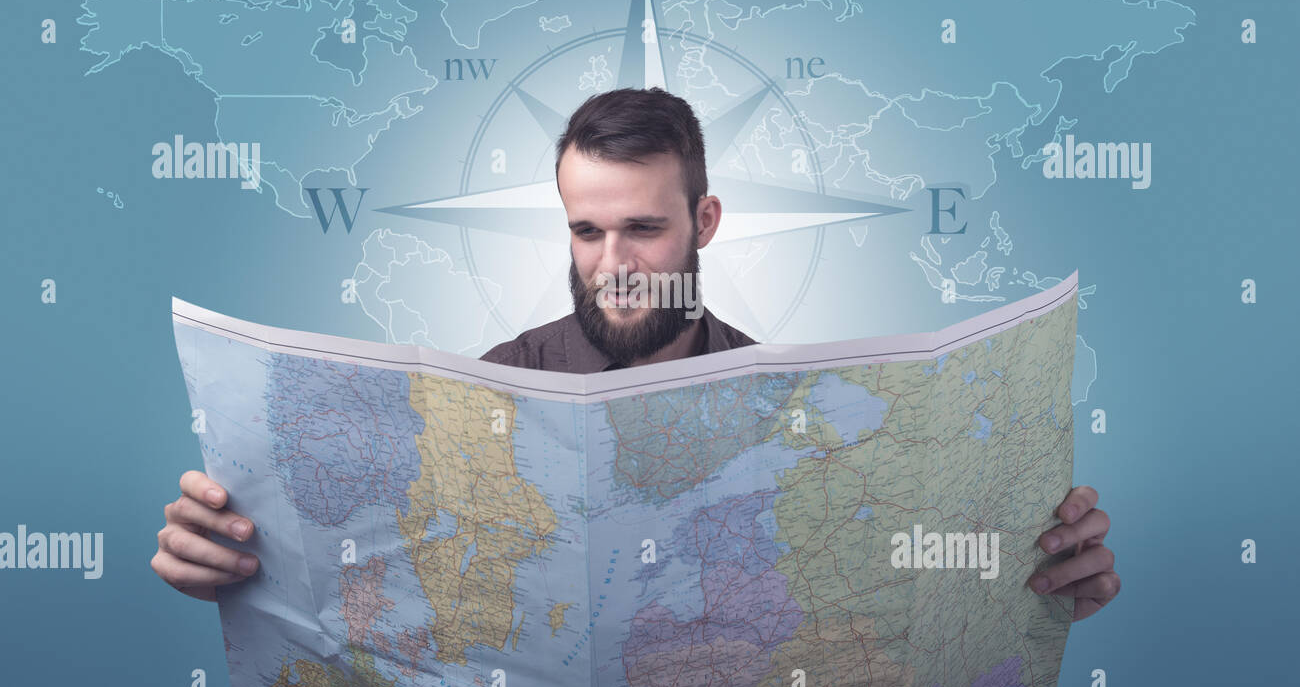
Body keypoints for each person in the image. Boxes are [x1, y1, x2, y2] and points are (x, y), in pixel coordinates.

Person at [152, 87, 1120, 621]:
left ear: (703, 221)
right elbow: (393, 578)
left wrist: (1030, 586)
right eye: (585, 230)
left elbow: (875, 601)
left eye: (643, 228)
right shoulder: (484, 388)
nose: (611, 266)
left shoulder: (794, 411)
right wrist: (239, 559)